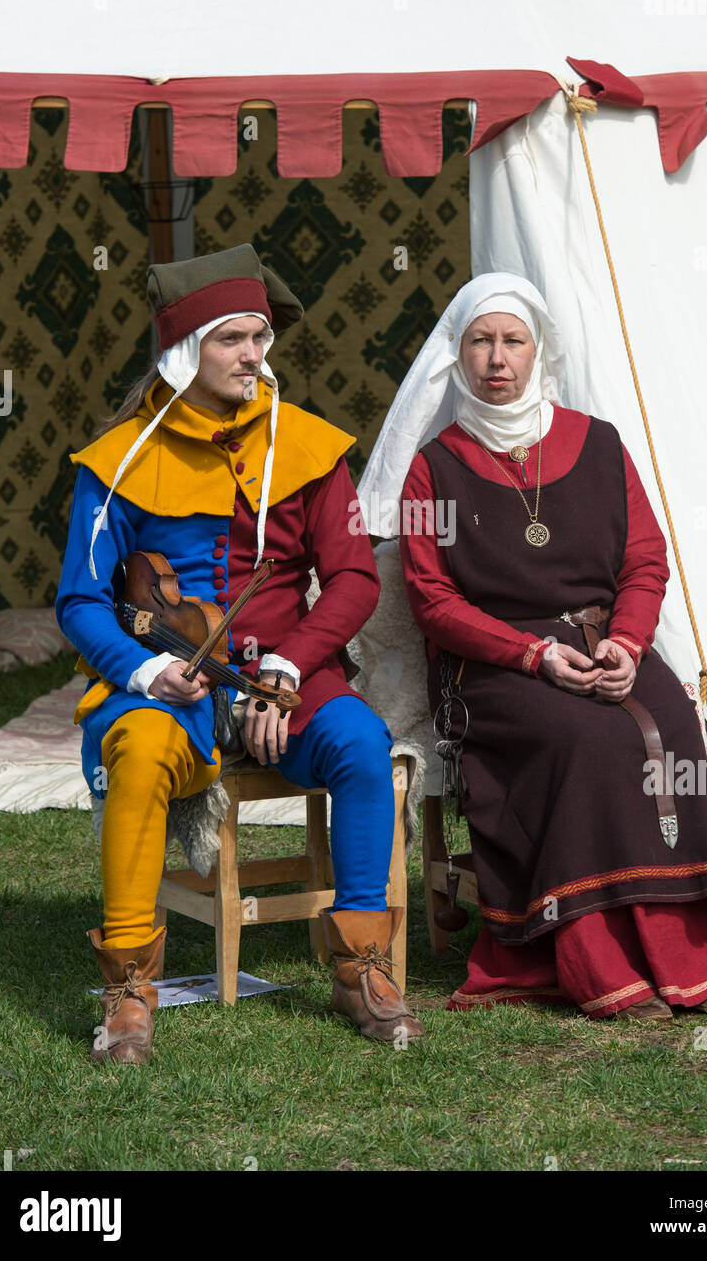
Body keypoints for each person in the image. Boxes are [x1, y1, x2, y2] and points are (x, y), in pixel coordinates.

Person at [358, 272, 707, 1019]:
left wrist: (629, 643)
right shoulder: (432, 466)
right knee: (585, 743)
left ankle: (697, 948)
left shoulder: (597, 444)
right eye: (479, 342)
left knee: (692, 743)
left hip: (606, 643)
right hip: (494, 663)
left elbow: (643, 557)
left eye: (512, 341)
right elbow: (434, 601)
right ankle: (603, 960)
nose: (495, 360)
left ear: (540, 352)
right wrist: (533, 655)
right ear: (456, 353)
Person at [56, 244, 423, 1062]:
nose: (254, 356)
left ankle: (360, 968)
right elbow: (78, 602)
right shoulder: (115, 463)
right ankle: (128, 992)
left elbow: (355, 579)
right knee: (140, 747)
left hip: (283, 680)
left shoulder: (309, 449)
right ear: (186, 351)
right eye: (232, 339)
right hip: (166, 686)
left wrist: (290, 662)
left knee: (362, 744)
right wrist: (145, 669)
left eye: (260, 338)